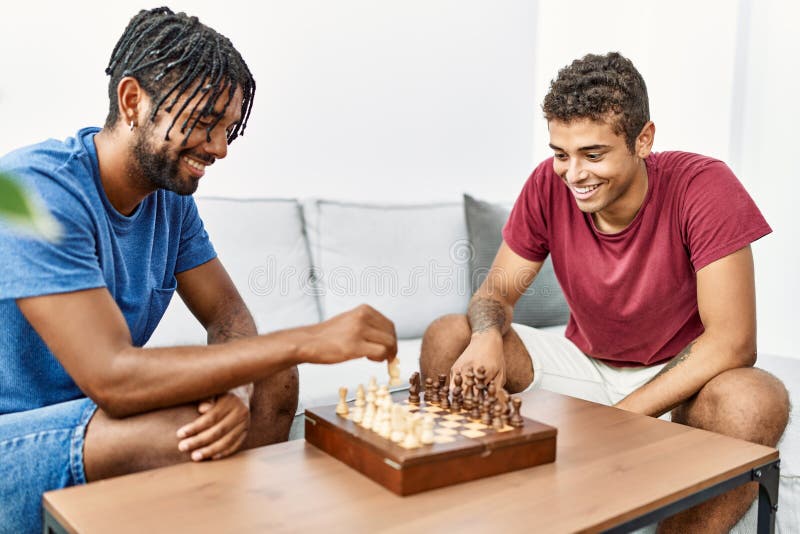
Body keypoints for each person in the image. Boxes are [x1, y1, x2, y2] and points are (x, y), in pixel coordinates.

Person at [0, 8, 396, 532]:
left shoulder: (170, 201)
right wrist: (305, 339)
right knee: (185, 429)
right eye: (205, 122)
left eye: (228, 129)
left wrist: (235, 390)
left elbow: (226, 311)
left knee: (272, 380)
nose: (220, 148)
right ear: (133, 101)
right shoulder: (34, 191)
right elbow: (112, 376)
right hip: (16, 432)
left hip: (94, 417)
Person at [420, 52, 789, 532]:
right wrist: (487, 334)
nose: (574, 174)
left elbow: (734, 342)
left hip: (680, 376)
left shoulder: (704, 185)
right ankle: (480, 517)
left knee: (753, 399)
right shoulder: (546, 186)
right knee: (451, 335)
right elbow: (495, 293)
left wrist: (618, 419)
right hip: (586, 365)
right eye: (561, 154)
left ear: (643, 139)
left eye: (593, 155)